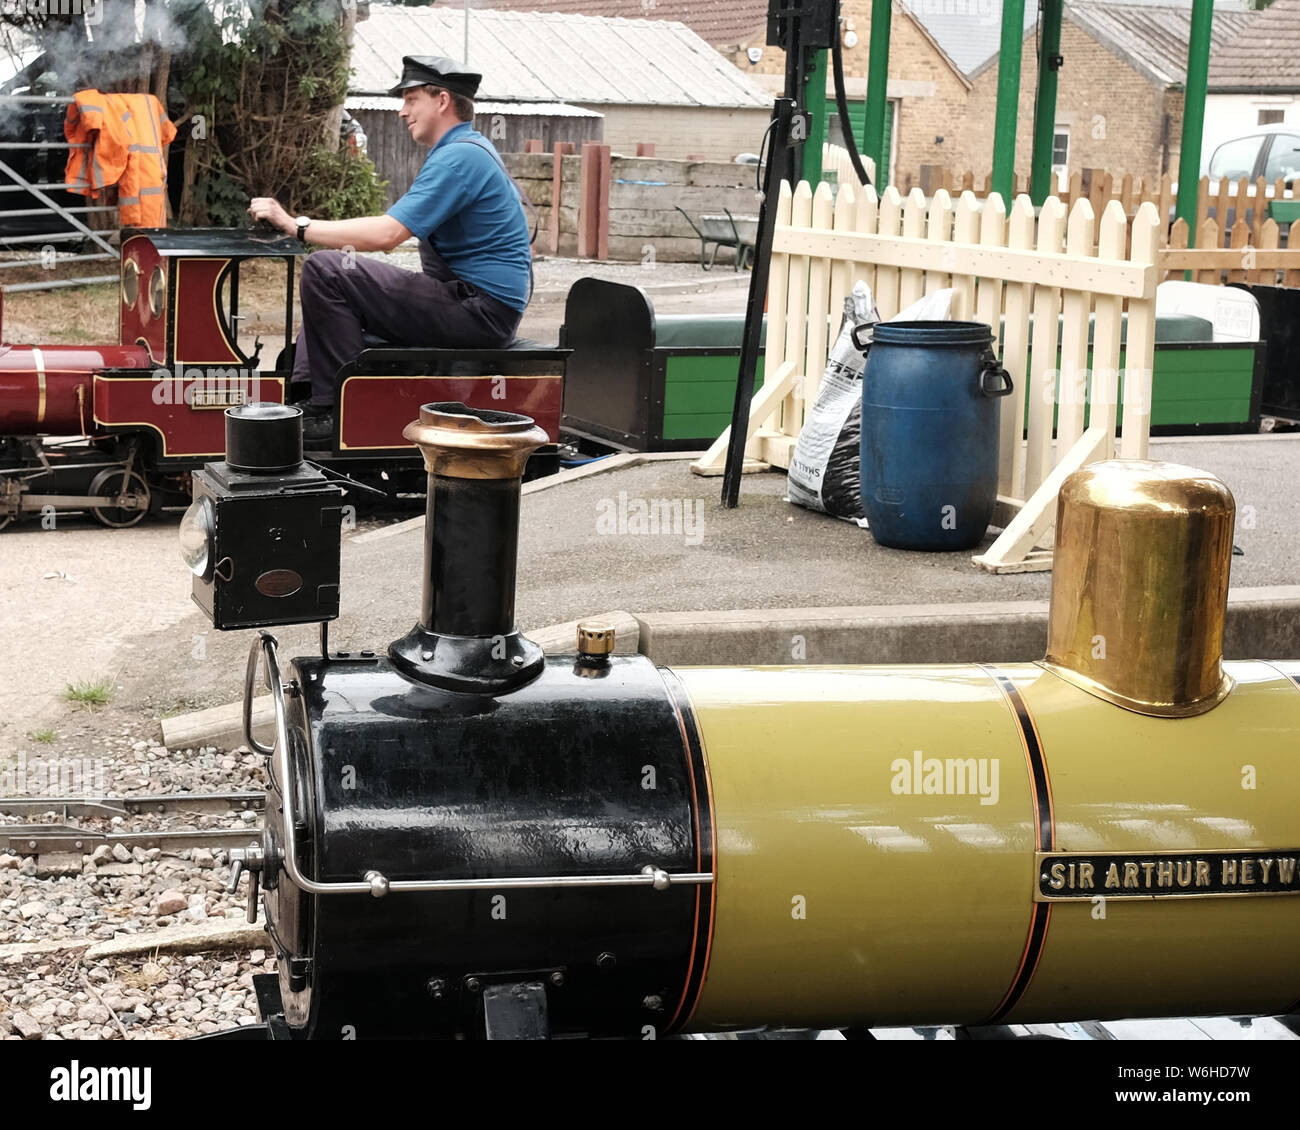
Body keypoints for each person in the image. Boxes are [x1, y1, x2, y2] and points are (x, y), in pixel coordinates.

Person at [247, 56, 533, 443]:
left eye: (411, 99)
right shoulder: (461, 150)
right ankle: (307, 396)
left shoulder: (460, 157)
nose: (402, 111)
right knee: (331, 285)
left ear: (442, 100)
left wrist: (296, 225)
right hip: (470, 302)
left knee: (326, 270)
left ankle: (335, 413)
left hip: (480, 310)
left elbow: (387, 234)